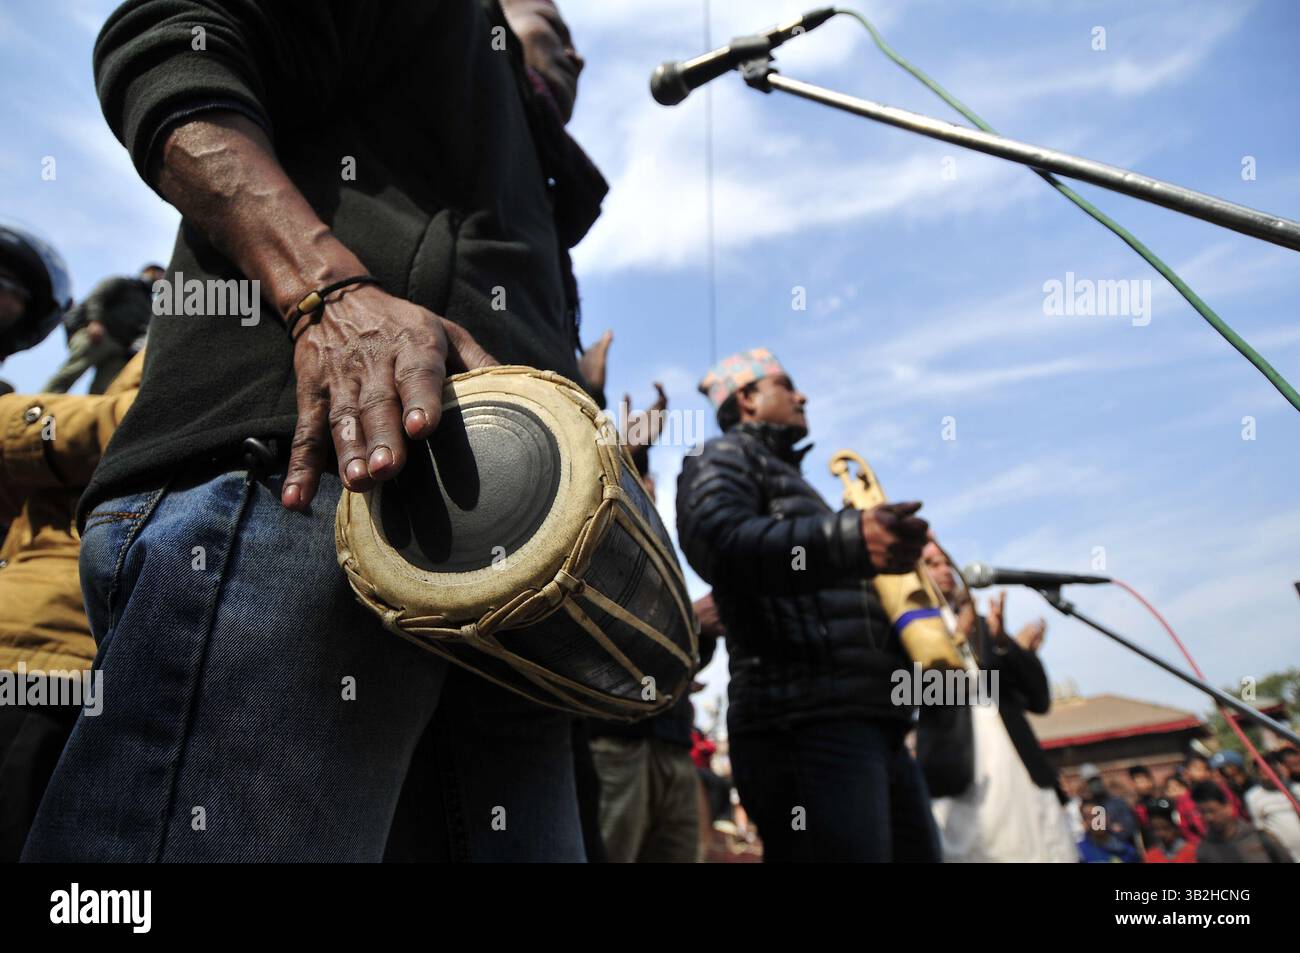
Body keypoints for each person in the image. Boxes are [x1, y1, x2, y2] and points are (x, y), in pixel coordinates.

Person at [25, 0, 608, 863]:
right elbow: (169, 37)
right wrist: (326, 290)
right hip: (303, 490)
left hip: (505, 602)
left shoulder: (541, 183)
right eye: (551, 25)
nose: (578, 57)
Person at [675, 347, 940, 862]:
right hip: (803, 723)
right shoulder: (719, 456)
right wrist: (850, 540)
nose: (803, 396)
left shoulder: (794, 483)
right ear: (747, 399)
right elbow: (719, 540)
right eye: (786, 384)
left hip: (869, 722)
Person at [917, 544, 1075, 862]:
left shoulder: (985, 627)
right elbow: (910, 698)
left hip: (1022, 769)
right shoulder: (912, 631)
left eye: (947, 561)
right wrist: (951, 647)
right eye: (931, 563)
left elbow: (1038, 700)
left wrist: (1007, 646)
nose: (944, 569)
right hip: (963, 776)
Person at [43, 264, 161, 394]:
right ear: (149, 271)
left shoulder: (148, 304)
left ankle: (87, 414)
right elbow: (96, 299)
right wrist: (95, 322)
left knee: (103, 391)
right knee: (71, 373)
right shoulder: (122, 283)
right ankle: (38, 407)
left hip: (120, 350)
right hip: (98, 335)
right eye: (159, 275)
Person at [1192, 781, 1292, 863]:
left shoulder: (1260, 837)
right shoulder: (1205, 851)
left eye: (1212, 811)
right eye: (1202, 812)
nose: (1208, 817)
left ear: (1228, 807)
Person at [1240, 751, 1300, 861]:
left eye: (1271, 771)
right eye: (1262, 773)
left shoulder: (1296, 789)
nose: (1267, 776)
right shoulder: (1253, 797)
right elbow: (1261, 829)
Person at [1076, 797, 1141, 863]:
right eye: (1089, 817)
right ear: (1083, 822)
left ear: (1107, 817)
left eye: (1098, 815)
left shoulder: (1127, 849)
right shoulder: (1079, 852)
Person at [1142, 799, 1198, 863]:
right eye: (1155, 829)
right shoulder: (1151, 856)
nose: (1161, 833)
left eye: (1165, 828)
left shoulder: (1193, 852)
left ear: (1176, 827)